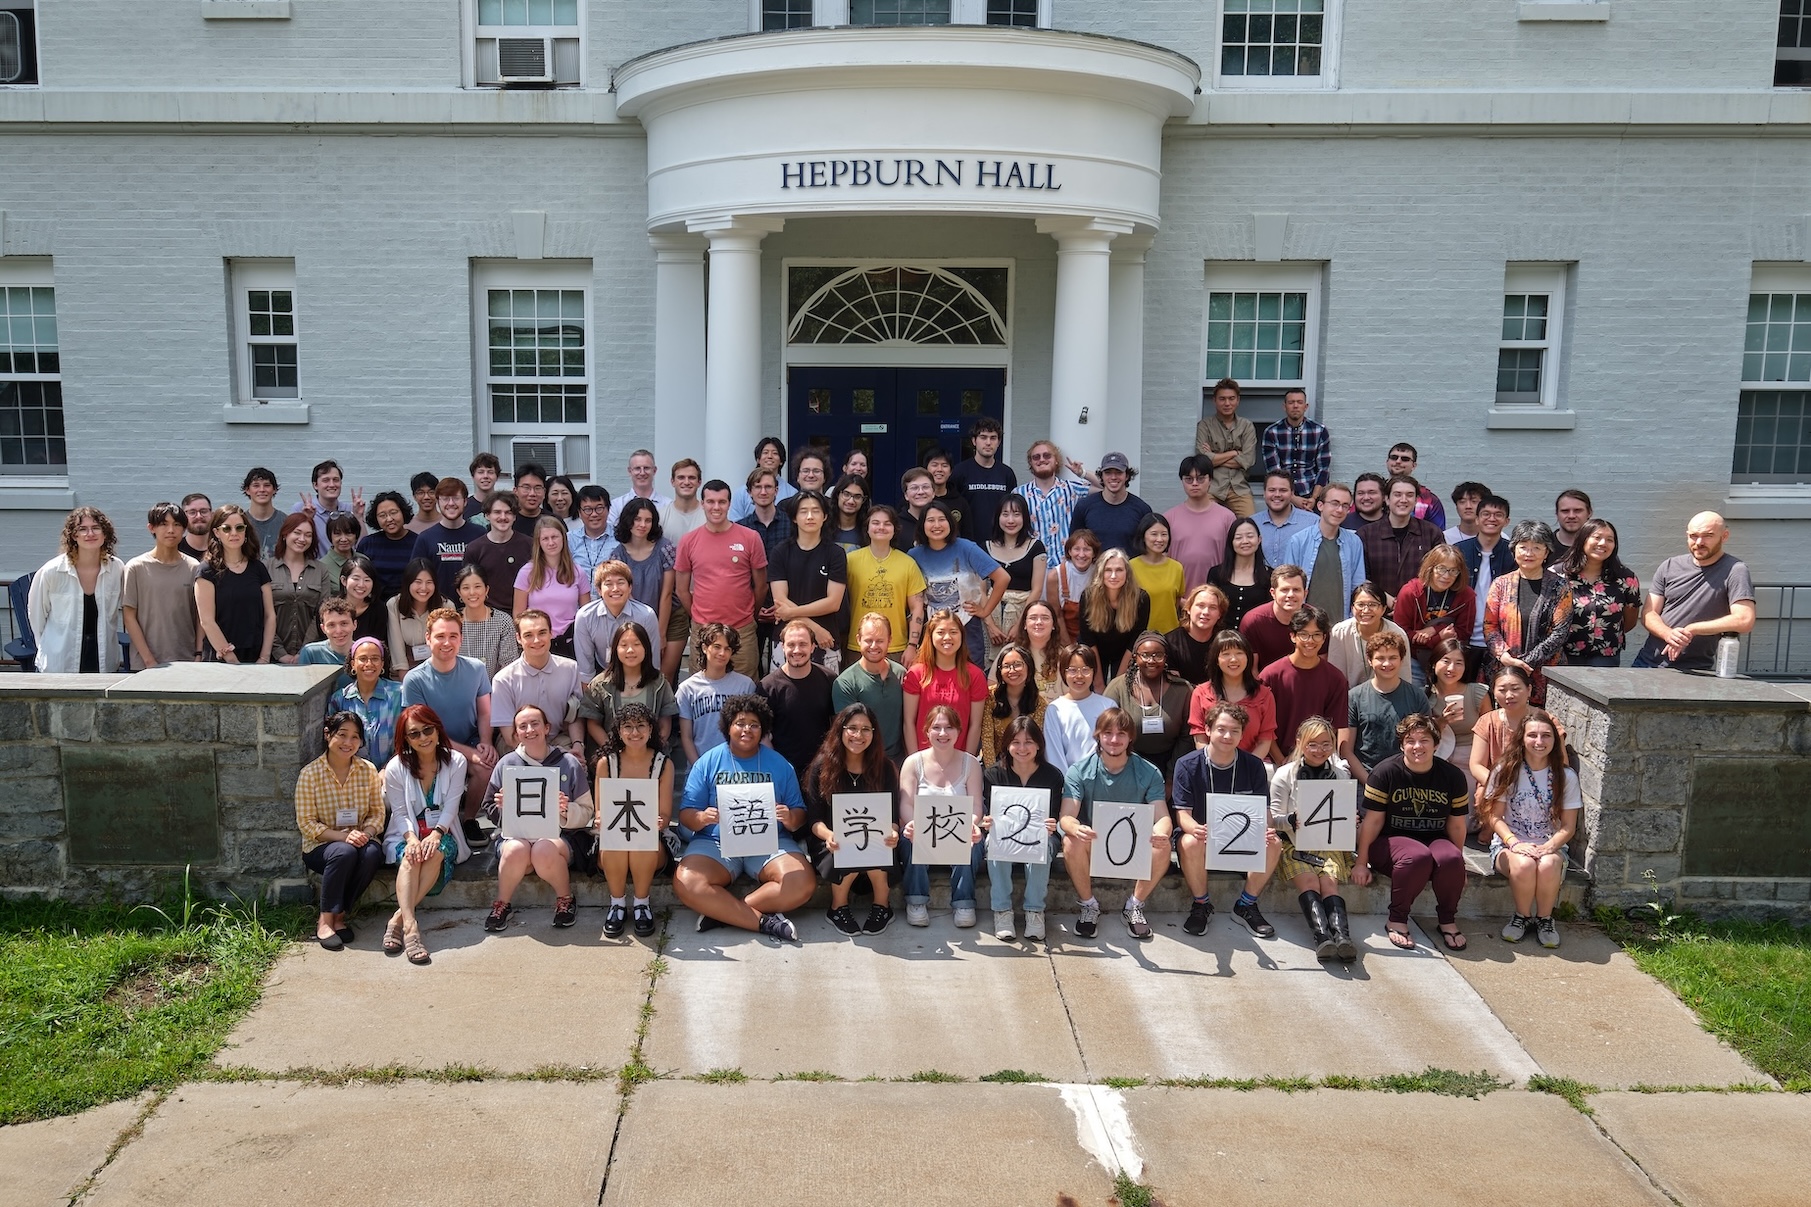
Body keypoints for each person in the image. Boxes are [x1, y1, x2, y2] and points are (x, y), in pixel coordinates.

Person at [674, 693, 814, 940]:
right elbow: (686, 814)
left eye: (754, 724)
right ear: (728, 726)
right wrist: (702, 818)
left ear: (764, 730)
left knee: (801, 882)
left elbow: (799, 812)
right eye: (740, 723)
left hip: (769, 843)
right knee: (686, 881)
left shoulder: (780, 764)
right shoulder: (707, 762)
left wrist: (790, 817)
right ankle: (761, 922)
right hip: (715, 842)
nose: (746, 729)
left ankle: (723, 911)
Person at [1354, 714, 1470, 952]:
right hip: (1388, 842)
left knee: (1450, 858)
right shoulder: (1385, 772)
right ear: (1401, 744)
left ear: (1436, 744)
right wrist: (1361, 863)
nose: (1417, 746)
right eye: (1410, 740)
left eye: (1424, 740)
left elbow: (1457, 825)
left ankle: (1447, 919)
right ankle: (1396, 919)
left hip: (1434, 838)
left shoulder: (1453, 776)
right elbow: (1372, 822)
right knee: (1417, 856)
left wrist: (1457, 867)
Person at [1059, 707, 1171, 940]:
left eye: (1121, 734)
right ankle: (1089, 905)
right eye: (1107, 733)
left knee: (1163, 846)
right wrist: (1077, 828)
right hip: (1097, 843)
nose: (1113, 739)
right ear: (1098, 735)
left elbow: (1162, 816)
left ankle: (1134, 905)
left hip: (1134, 844)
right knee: (1070, 841)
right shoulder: (1079, 771)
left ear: (1131, 737)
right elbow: (1066, 816)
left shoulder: (1149, 772)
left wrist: (1160, 832)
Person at [483, 703, 594, 933]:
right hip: (519, 837)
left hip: (558, 839)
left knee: (543, 848)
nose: (530, 730)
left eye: (535, 723)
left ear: (547, 728)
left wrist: (566, 809)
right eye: (522, 726)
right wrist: (503, 807)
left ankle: (565, 899)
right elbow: (488, 806)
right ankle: (502, 903)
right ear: (516, 734)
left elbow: (587, 811)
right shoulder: (507, 764)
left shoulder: (568, 763)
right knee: (515, 849)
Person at [1172, 700, 1275, 937]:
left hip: (1240, 839)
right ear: (1208, 730)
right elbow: (1182, 816)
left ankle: (1245, 905)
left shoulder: (1254, 765)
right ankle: (1201, 904)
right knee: (1189, 840)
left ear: (1242, 734)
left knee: (1274, 842)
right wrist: (1195, 829)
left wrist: (1267, 829)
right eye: (1221, 729)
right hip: (1204, 838)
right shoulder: (1187, 765)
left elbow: (1264, 811)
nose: (1227, 736)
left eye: (1235, 731)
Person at [1479, 708, 1580, 949]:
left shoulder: (1566, 776)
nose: (1539, 741)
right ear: (1522, 738)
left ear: (1555, 741)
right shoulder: (1505, 770)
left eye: (1546, 736)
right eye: (1532, 735)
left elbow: (1568, 826)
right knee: (1524, 863)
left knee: (1548, 864)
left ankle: (1545, 919)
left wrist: (1548, 847)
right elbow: (1494, 817)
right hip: (1509, 844)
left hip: (1550, 844)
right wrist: (1514, 842)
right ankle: (1521, 917)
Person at [380, 704, 470, 964]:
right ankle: (411, 927)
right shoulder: (396, 767)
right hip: (407, 832)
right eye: (414, 734)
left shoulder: (456, 761)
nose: (423, 738)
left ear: (438, 729)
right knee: (410, 858)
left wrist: (436, 834)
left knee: (435, 854)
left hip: (443, 832)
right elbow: (399, 812)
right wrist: (411, 839)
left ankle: (398, 918)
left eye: (427, 729)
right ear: (405, 739)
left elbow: (452, 806)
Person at [803, 702, 902, 936]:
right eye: (852, 728)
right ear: (841, 730)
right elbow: (814, 819)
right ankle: (837, 908)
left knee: (880, 848)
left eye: (866, 729)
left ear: (874, 734)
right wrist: (829, 836)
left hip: (875, 837)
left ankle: (882, 907)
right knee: (845, 849)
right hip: (832, 840)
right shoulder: (822, 767)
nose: (859, 735)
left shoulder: (885, 767)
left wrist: (893, 831)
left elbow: (893, 814)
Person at [401, 608, 496, 847]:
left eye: (453, 636)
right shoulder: (414, 679)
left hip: (470, 738)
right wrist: (469, 753)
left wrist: (485, 743)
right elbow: (422, 730)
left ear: (461, 639)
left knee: (485, 768)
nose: (447, 642)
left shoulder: (476, 668)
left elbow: (485, 711)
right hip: (430, 745)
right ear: (428, 638)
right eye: (440, 636)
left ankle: (469, 819)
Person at [294, 710, 386, 949]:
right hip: (321, 847)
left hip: (359, 840)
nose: (348, 742)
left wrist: (365, 832)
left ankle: (340, 916)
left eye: (355, 737)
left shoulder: (368, 770)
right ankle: (325, 920)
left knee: (372, 853)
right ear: (328, 735)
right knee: (343, 852)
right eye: (342, 735)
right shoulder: (310, 774)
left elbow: (377, 813)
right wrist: (344, 837)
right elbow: (306, 823)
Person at [1268, 717, 1357, 960]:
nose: (1320, 750)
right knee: (1309, 882)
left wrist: (1350, 819)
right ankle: (1322, 937)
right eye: (1313, 744)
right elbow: (1273, 818)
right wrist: (1290, 820)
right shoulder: (1284, 774)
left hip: (1328, 845)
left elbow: (1343, 811)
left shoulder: (1340, 774)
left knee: (1329, 884)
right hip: (1294, 844)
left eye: (1326, 744)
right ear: (1300, 743)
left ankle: (1342, 937)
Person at [898, 703, 987, 928]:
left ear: (959, 731)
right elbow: (906, 802)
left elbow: (977, 804)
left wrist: (973, 824)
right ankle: (916, 900)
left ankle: (964, 901)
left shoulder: (971, 763)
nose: (943, 733)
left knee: (973, 840)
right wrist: (912, 824)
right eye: (936, 727)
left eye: (949, 728)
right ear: (926, 731)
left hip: (957, 830)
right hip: (925, 831)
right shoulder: (913, 762)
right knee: (909, 838)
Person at [1633, 511, 1757, 672]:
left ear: (1724, 536)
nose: (1699, 542)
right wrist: (1668, 634)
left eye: (1708, 535)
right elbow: (1649, 614)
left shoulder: (1735, 570)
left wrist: (1693, 629)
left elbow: (1744, 620)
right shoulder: (1669, 566)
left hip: (1696, 670)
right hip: (1648, 662)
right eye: (1693, 535)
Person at [981, 714, 1065, 942]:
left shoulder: (1052, 776)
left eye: (1028, 741)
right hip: (1007, 837)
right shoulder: (993, 775)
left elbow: (1054, 816)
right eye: (1016, 742)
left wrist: (1052, 824)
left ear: (1039, 744)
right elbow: (989, 814)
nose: (1022, 748)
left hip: (1041, 836)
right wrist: (987, 822)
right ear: (1007, 745)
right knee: (992, 842)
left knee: (1045, 844)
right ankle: (1002, 911)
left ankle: (1035, 910)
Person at [675, 479, 768, 680]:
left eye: (722, 502)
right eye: (710, 501)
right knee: (702, 689)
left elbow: (761, 586)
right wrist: (698, 617)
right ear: (702, 504)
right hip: (703, 630)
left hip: (742, 629)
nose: (716, 507)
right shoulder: (688, 541)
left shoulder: (750, 538)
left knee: (746, 692)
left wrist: (750, 614)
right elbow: (681, 589)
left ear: (729, 504)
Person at [596, 703, 674, 939]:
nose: (634, 732)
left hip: (653, 839)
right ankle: (617, 904)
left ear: (651, 729)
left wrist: (660, 822)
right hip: (613, 839)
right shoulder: (606, 764)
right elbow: (600, 810)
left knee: (642, 841)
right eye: (627, 727)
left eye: (641, 725)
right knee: (616, 841)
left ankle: (642, 904)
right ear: (618, 731)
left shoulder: (664, 764)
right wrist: (599, 819)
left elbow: (667, 815)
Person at [910, 499, 1008, 668]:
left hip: (967, 624)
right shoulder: (914, 555)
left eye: (942, 519)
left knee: (971, 676)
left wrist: (985, 611)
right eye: (930, 520)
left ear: (950, 522)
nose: (937, 525)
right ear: (922, 525)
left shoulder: (966, 547)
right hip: (934, 627)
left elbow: (1002, 578)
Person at [1483, 520, 1573, 705]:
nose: (1529, 553)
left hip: (1547, 672)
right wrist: (1504, 656)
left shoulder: (1560, 586)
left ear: (1546, 551)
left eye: (1537, 547)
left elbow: (1560, 633)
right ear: (1514, 549)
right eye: (1523, 547)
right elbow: (1489, 626)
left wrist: (1526, 662)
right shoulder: (1500, 584)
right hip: (1505, 670)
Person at [29, 507, 127, 673]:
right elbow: (37, 616)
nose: (90, 534)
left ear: (105, 534)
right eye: (82, 529)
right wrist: (48, 648)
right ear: (73, 536)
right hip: (60, 661)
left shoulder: (117, 568)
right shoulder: (52, 571)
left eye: (96, 527)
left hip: (103, 660)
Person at [1340, 630, 1436, 786]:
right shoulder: (1354, 697)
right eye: (1380, 658)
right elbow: (1346, 750)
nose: (1387, 664)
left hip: (1408, 782)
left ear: (1401, 660)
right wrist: (1371, 783)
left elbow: (1425, 743)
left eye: (1393, 658)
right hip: (1364, 782)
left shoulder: (1417, 696)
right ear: (1370, 661)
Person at [1259, 605, 1349, 761]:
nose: (1310, 641)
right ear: (1293, 636)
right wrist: (1281, 761)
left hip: (1318, 758)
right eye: (1304, 634)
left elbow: (1333, 728)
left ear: (1324, 638)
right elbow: (1262, 726)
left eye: (1316, 635)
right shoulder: (1270, 675)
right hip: (1272, 759)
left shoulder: (1335, 678)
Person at [768, 490, 849, 663]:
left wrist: (791, 612)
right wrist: (814, 628)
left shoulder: (835, 553)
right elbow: (780, 600)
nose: (810, 516)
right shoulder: (780, 552)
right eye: (803, 511)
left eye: (816, 511)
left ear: (825, 516)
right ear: (794, 518)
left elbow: (833, 602)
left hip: (826, 640)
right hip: (788, 639)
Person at [842, 505, 927, 665]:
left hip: (896, 648)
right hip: (859, 645)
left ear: (895, 529)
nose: (881, 527)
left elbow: (917, 607)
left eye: (887, 523)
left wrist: (912, 646)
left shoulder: (908, 563)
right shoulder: (850, 560)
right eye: (876, 523)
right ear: (867, 527)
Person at [491, 609, 584, 754]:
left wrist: (578, 745)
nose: (536, 640)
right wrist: (546, 756)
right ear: (518, 638)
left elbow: (574, 716)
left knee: (577, 766)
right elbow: (509, 736)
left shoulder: (570, 669)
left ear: (551, 633)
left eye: (542, 633)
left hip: (558, 740)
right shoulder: (503, 679)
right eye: (528, 635)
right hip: (518, 743)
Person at [122, 502, 202, 670]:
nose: (171, 530)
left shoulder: (193, 567)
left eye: (177, 524)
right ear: (151, 528)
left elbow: (199, 616)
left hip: (186, 660)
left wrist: (198, 653)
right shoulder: (136, 567)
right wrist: (149, 660)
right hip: (146, 664)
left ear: (184, 529)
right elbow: (129, 617)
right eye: (164, 524)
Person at [581, 620, 678, 757]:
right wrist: (614, 752)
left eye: (637, 644)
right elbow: (593, 724)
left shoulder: (659, 683)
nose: (630, 650)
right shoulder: (600, 684)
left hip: (649, 757)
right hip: (611, 757)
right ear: (615, 649)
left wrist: (651, 750)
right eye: (624, 645)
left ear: (646, 648)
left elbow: (665, 721)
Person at [1104, 631, 1193, 777]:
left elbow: (1187, 736)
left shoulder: (1182, 690)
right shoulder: (1118, 688)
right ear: (1135, 657)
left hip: (1171, 763)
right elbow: (1106, 730)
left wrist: (1172, 776)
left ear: (1166, 658)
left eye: (1158, 655)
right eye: (1145, 655)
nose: (1151, 660)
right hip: (1126, 764)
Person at [901, 608, 990, 755]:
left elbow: (975, 725)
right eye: (941, 632)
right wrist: (915, 761)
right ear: (930, 636)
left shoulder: (975, 675)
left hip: (959, 758)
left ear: (962, 636)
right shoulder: (916, 674)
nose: (947, 637)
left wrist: (966, 764)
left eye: (953, 632)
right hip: (923, 759)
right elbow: (908, 723)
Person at [195, 504, 275, 664]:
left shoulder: (258, 568)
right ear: (217, 533)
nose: (234, 533)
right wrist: (232, 660)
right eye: (227, 528)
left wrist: (264, 658)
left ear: (246, 531)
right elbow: (207, 621)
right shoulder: (206, 571)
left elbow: (270, 616)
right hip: (221, 659)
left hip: (256, 658)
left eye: (239, 528)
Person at [1560, 518, 1643, 667]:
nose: (1603, 543)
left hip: (1606, 656)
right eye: (1597, 537)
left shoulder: (1625, 578)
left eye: (1609, 540)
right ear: (1583, 539)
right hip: (1564, 655)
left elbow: (1629, 620)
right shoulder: (1560, 574)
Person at [1186, 630, 1278, 763]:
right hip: (1212, 765)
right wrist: (1217, 765)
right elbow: (1200, 738)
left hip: (1252, 766)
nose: (1234, 659)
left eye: (1239, 653)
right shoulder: (1200, 693)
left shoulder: (1264, 695)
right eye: (1226, 654)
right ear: (1216, 659)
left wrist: (1246, 768)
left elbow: (1265, 740)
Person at [1393, 544, 1476, 686]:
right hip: (1414, 658)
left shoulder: (1466, 595)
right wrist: (1439, 637)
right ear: (1430, 568)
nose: (1446, 576)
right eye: (1441, 569)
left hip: (1448, 658)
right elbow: (1400, 634)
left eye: (1453, 571)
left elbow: (1464, 632)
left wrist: (1434, 630)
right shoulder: (1410, 592)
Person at [1282, 482, 1365, 623]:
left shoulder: (1354, 542)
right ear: (1320, 506)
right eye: (1334, 503)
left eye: (1345, 506)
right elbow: (1287, 585)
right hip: (1306, 625)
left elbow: (1357, 587)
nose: (1339, 510)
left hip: (1341, 624)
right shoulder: (1299, 541)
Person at [759, 619, 837, 768]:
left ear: (813, 647)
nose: (796, 650)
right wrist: (778, 765)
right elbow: (762, 734)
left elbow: (837, 724)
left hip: (823, 767)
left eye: (803, 644)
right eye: (791, 645)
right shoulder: (767, 687)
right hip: (783, 768)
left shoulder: (829, 679)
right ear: (782, 647)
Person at [831, 612, 908, 762]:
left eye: (880, 641)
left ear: (889, 641)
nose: (874, 646)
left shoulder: (901, 674)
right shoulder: (845, 683)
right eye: (868, 640)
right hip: (864, 762)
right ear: (858, 640)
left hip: (898, 761)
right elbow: (849, 733)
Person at [678, 622, 758, 763]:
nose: (722, 653)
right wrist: (699, 769)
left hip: (737, 768)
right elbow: (686, 736)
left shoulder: (745, 686)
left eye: (727, 649)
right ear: (704, 648)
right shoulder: (687, 688)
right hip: (700, 765)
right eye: (717, 647)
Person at [1358, 475, 1445, 601]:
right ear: (1387, 499)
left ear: (1416, 500)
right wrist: (1386, 599)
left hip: (1419, 609)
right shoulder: (1366, 534)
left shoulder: (1431, 533)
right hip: (1376, 609)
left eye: (1409, 495)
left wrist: (1407, 602)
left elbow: (1440, 573)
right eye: (1397, 494)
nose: (1403, 500)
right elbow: (1359, 576)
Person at [573, 559, 660, 683]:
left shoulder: (646, 615)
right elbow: (586, 669)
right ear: (598, 590)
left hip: (638, 675)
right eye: (608, 584)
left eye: (621, 582)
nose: (615, 589)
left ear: (630, 587)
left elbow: (653, 663)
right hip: (600, 673)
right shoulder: (585, 616)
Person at [514, 516, 590, 657]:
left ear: (563, 538)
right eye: (545, 539)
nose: (551, 543)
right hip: (538, 642)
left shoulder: (577, 571)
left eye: (555, 537)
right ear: (539, 543)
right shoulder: (526, 572)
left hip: (571, 642)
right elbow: (518, 615)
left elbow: (586, 614)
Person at [1457, 494, 1515, 675]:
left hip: (1502, 641)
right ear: (1476, 519)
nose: (1491, 518)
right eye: (1486, 514)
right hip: (1463, 638)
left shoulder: (1514, 553)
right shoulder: (1459, 550)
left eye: (1498, 514)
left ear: (1506, 521)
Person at [983, 494, 1046, 661]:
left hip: (1023, 613)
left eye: (1016, 514)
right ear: (998, 518)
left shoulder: (1036, 547)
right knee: (988, 667)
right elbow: (980, 591)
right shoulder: (986, 547)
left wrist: (1020, 624)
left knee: (1021, 662)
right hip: (991, 615)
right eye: (1005, 514)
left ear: (1025, 517)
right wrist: (990, 625)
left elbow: (1037, 589)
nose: (1010, 520)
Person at [1166, 453, 1237, 591]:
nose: (1194, 484)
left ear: (1210, 480)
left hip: (1216, 596)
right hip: (1178, 597)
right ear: (1181, 481)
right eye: (1189, 479)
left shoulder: (1227, 517)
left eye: (1200, 478)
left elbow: (1234, 560)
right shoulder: (1169, 518)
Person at [1429, 637, 1490, 797]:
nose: (1451, 668)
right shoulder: (1425, 695)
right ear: (1434, 663)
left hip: (1470, 759)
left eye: (1458, 663)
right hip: (1436, 759)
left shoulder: (1477, 693)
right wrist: (1441, 722)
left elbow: (1491, 734)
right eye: (1446, 661)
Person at [1077, 548, 1150, 682]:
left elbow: (1135, 640)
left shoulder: (1141, 598)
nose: (1113, 576)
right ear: (1100, 572)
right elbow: (1088, 639)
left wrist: (1118, 682)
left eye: (1119, 570)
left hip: (1125, 654)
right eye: (1108, 570)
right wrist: (1098, 683)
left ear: (1127, 573)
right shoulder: (1088, 597)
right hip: (1095, 653)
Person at [331, 637, 405, 766]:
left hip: (394, 773)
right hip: (353, 776)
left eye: (375, 658)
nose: (369, 664)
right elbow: (334, 743)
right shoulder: (340, 699)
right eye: (363, 659)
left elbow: (409, 738)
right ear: (353, 663)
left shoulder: (399, 694)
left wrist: (386, 769)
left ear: (382, 664)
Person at [1468, 664, 1538, 794]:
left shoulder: (1545, 721)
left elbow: (1560, 764)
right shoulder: (1487, 721)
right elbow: (1477, 765)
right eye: (1502, 690)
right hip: (1497, 789)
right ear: (1494, 693)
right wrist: (1498, 787)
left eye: (1515, 689)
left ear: (1529, 690)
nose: (1509, 695)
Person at [412, 478, 485, 600]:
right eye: (445, 499)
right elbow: (416, 577)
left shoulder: (480, 534)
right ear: (438, 501)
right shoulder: (425, 538)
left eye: (456, 498)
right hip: (438, 610)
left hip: (473, 608)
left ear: (465, 501)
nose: (451, 503)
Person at [267, 514, 327, 663]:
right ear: (285, 534)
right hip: (271, 656)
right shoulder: (266, 568)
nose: (302, 539)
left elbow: (322, 613)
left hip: (311, 655)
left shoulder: (321, 570)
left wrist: (305, 651)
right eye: (297, 532)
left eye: (308, 535)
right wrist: (279, 652)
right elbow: (260, 614)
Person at [1194, 377, 1257, 519]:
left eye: (1231, 398)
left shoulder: (1247, 426)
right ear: (1214, 401)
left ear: (1238, 400)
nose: (1227, 403)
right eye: (1222, 399)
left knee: (1249, 525)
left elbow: (1248, 460)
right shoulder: (1205, 425)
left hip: (1239, 488)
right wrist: (1234, 453)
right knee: (1203, 523)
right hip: (1212, 487)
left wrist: (1214, 456)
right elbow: (1203, 461)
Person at [1260, 387, 1331, 511]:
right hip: (1282, 493)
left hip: (1312, 492)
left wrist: (1313, 498)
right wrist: (1292, 498)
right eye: (1291, 402)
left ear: (1306, 406)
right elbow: (1273, 471)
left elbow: (1323, 469)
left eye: (1299, 402)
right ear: (1284, 406)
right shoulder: (1272, 432)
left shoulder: (1319, 431)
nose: (1295, 406)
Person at [1043, 644, 1112, 772]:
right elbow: (1054, 753)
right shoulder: (1055, 709)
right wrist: (1068, 784)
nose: (1079, 676)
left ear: (1093, 671)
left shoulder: (1108, 706)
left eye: (1085, 670)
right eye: (1072, 670)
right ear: (1063, 672)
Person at [951, 416, 1018, 547]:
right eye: (983, 437)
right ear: (974, 441)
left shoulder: (1006, 473)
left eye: (993, 438)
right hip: (967, 544)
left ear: (998, 442)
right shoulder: (960, 472)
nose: (988, 442)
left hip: (1000, 544)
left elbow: (1013, 509)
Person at [462, 491, 533, 614]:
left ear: (515, 516)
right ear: (487, 515)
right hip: (487, 616)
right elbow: (468, 586)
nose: (503, 517)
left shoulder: (529, 545)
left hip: (523, 615)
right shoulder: (475, 548)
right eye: (497, 512)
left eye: (508, 512)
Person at [1070, 451, 1152, 556]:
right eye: (1108, 472)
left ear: (1127, 476)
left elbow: (1147, 549)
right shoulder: (1084, 507)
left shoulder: (1142, 509)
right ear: (1102, 476)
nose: (1113, 477)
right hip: (1094, 571)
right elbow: (1074, 544)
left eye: (1118, 472)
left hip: (1130, 571)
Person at [1016, 439, 1090, 554]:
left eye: (1047, 455)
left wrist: (1082, 473)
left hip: (1065, 565)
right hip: (1033, 565)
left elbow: (1105, 487)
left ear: (1056, 460)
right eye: (1036, 457)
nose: (1041, 459)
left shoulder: (1071, 489)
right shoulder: (1019, 494)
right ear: (1031, 463)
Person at [978, 643, 1047, 766]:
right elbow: (987, 739)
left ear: (1029, 668)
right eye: (1006, 666)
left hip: (1026, 764)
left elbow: (1036, 741)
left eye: (1017, 665)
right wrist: (992, 773)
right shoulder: (990, 697)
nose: (1012, 670)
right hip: (995, 765)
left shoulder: (1039, 703)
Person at [384, 558, 447, 678]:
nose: (423, 588)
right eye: (418, 582)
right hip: (405, 671)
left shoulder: (446, 606)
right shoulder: (394, 605)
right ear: (408, 583)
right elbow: (396, 646)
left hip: (439, 671)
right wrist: (406, 681)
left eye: (429, 582)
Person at [1207, 516, 1271, 632]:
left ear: (1259, 539)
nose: (1245, 541)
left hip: (1255, 641)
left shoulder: (1270, 575)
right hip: (1220, 641)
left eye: (1250, 536)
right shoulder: (1216, 573)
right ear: (1231, 542)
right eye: (1238, 537)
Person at [455, 564, 519, 676]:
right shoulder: (453, 622)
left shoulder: (503, 621)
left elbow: (509, 665)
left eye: (477, 586)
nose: (472, 592)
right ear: (459, 592)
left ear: (486, 590)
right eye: (466, 588)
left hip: (496, 688)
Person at [1239, 564, 1305, 672]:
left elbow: (1321, 665)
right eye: (1285, 590)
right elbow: (1251, 671)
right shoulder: (1253, 621)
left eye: (1296, 590)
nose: (1290, 595)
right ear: (1273, 593)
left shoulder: (1315, 621)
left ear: (1305, 593)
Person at [356, 492, 418, 600]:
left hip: (410, 604)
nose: (389, 519)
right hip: (375, 606)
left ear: (403, 512)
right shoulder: (367, 544)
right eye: (382, 515)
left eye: (393, 513)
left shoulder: (418, 542)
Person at [1129, 514, 1185, 635]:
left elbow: (1176, 602)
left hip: (1171, 635)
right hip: (1140, 636)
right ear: (1143, 536)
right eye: (1154, 534)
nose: (1159, 539)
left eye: (1164, 534)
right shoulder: (1131, 567)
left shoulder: (1176, 568)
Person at [292, 459, 364, 551]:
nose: (331, 484)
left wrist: (359, 517)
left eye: (336, 480)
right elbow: (296, 545)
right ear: (315, 485)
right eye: (326, 480)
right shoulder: (301, 509)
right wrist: (307, 519)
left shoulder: (350, 510)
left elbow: (362, 546)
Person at [1163, 584, 1227, 686]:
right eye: (1200, 606)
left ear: (1219, 614)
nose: (1206, 612)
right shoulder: (1169, 643)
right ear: (1188, 608)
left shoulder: (1225, 644)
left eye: (1213, 607)